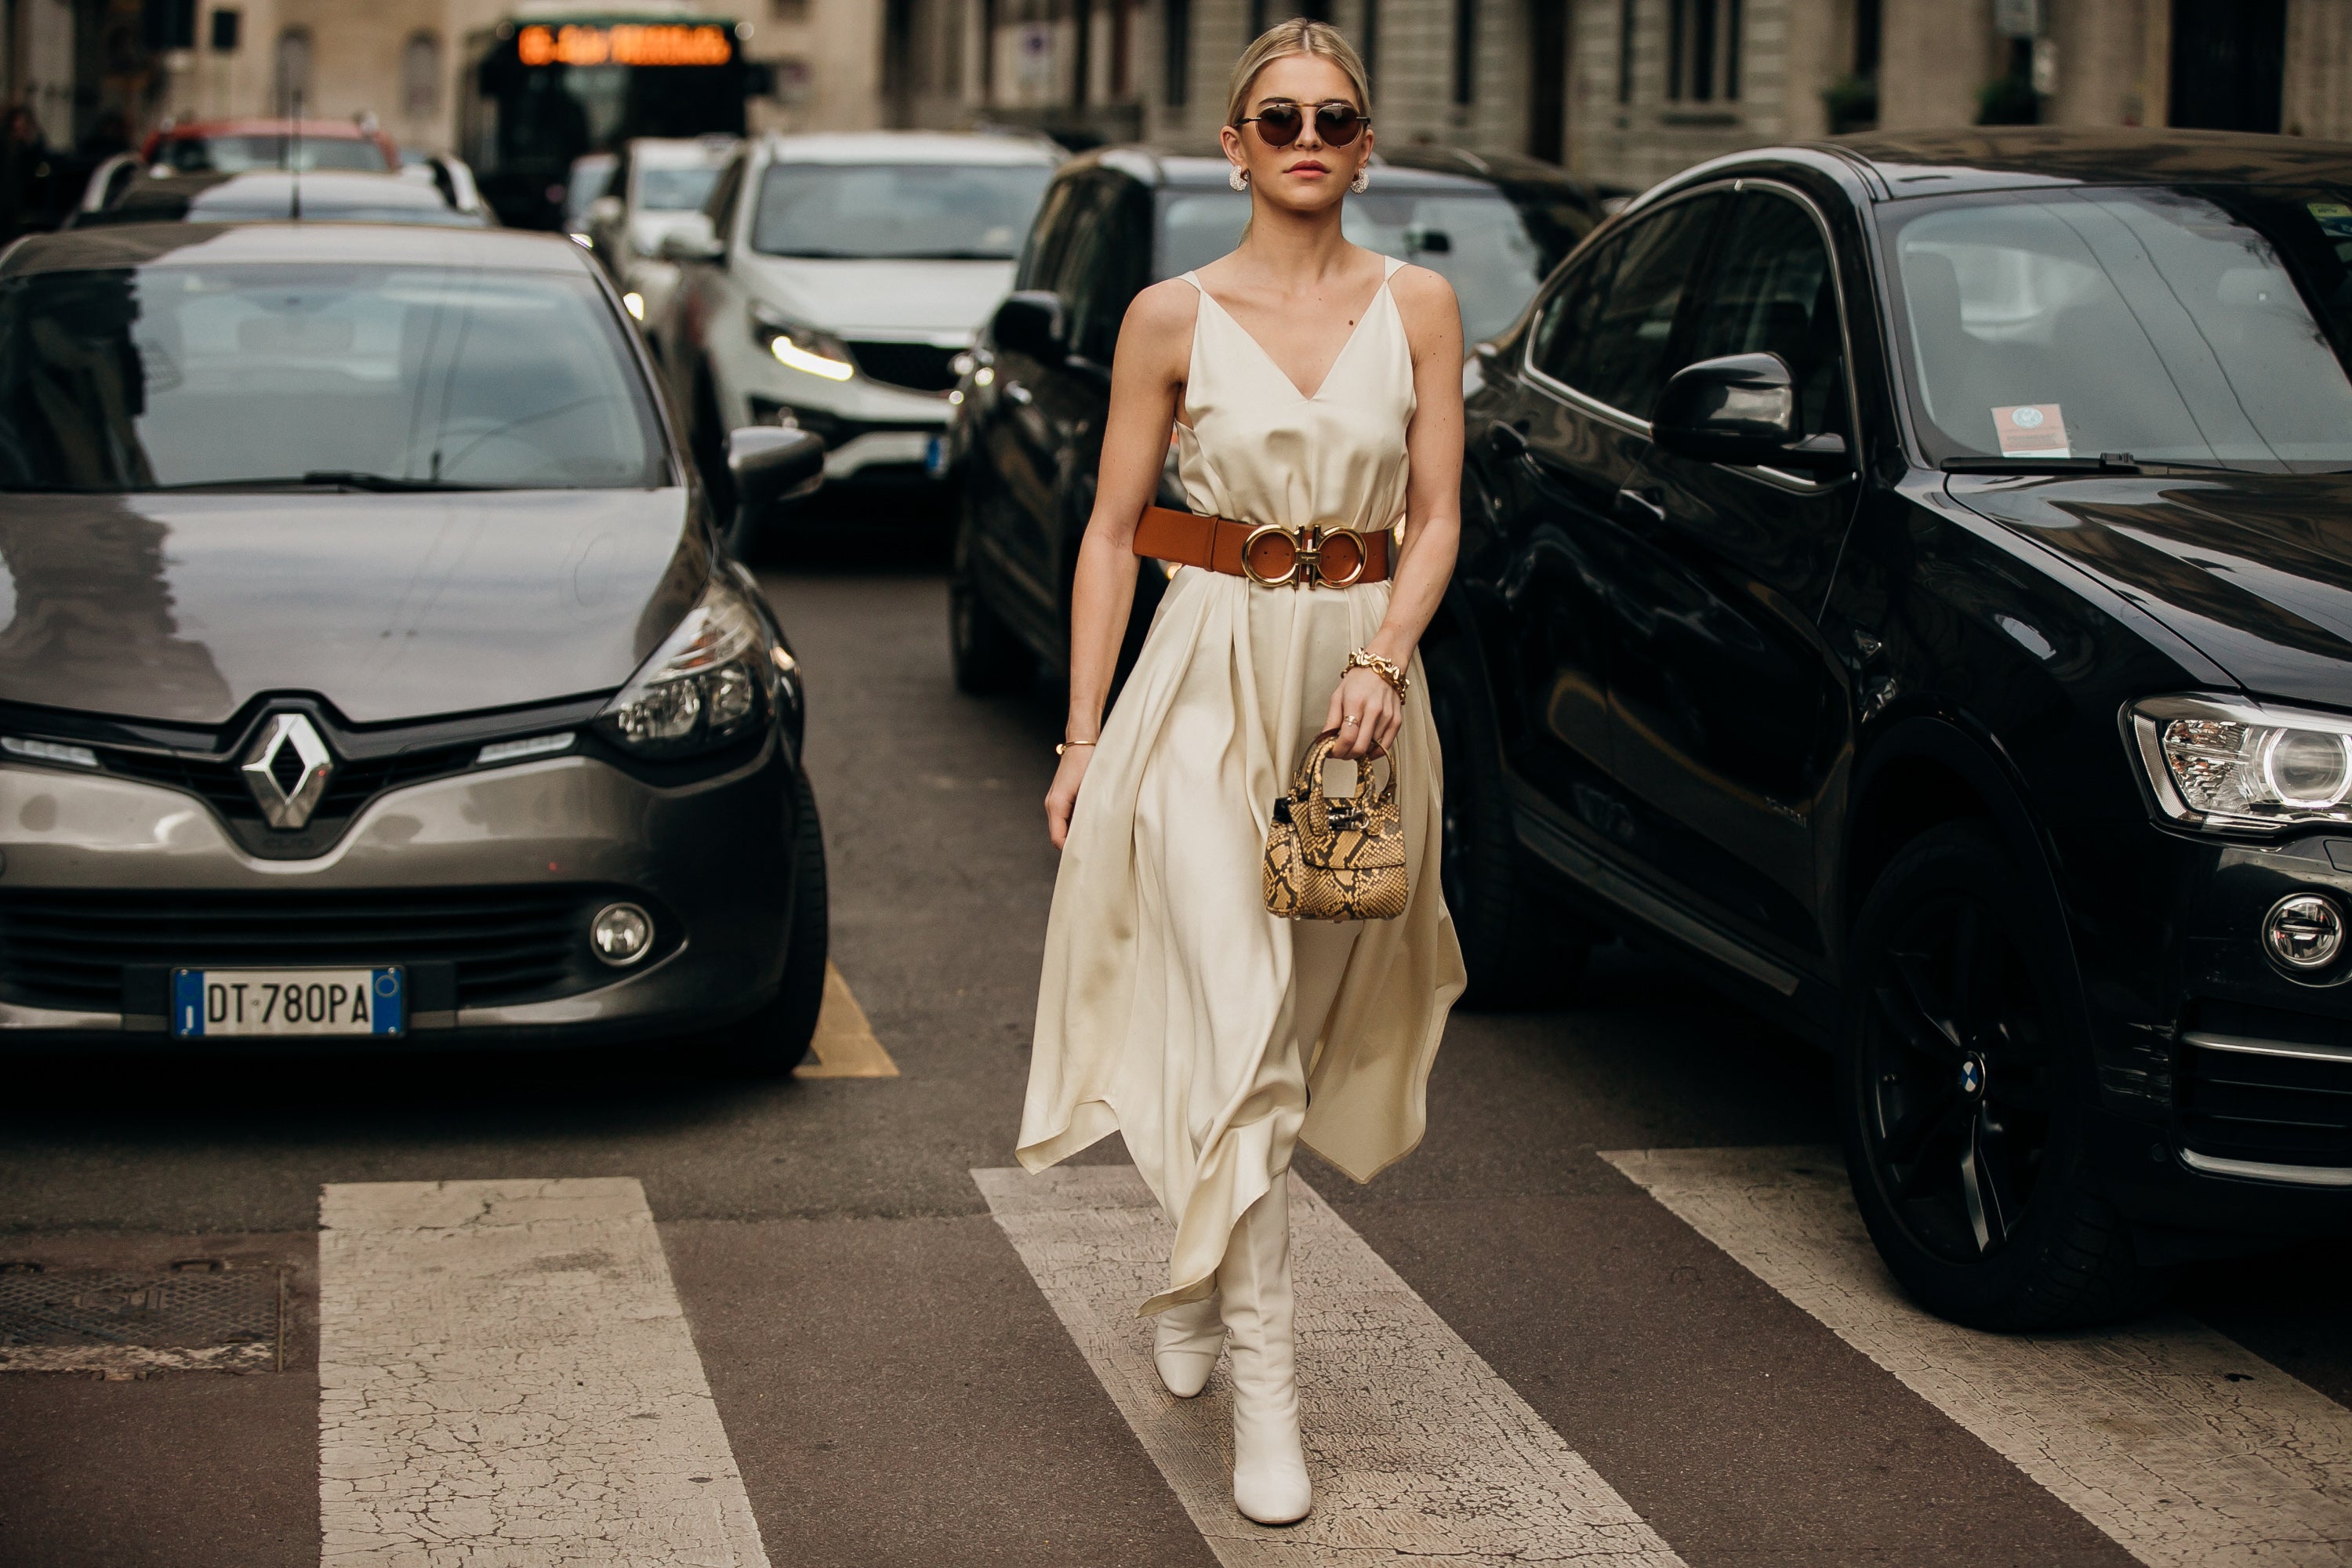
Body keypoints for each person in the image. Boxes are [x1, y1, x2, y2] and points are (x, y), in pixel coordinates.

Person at [1017, 17, 1468, 1527]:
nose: (1307, 139)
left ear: (1364, 141)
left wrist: (1385, 656)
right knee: (1237, 1017)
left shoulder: (1422, 307)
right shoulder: (1166, 316)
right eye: (1278, 119)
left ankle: (1201, 1275)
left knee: (1308, 1023)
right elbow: (1107, 537)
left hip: (1355, 699)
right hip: (1204, 676)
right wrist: (1082, 738)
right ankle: (1269, 1391)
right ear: (1233, 144)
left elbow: (1440, 517)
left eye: (1333, 116)